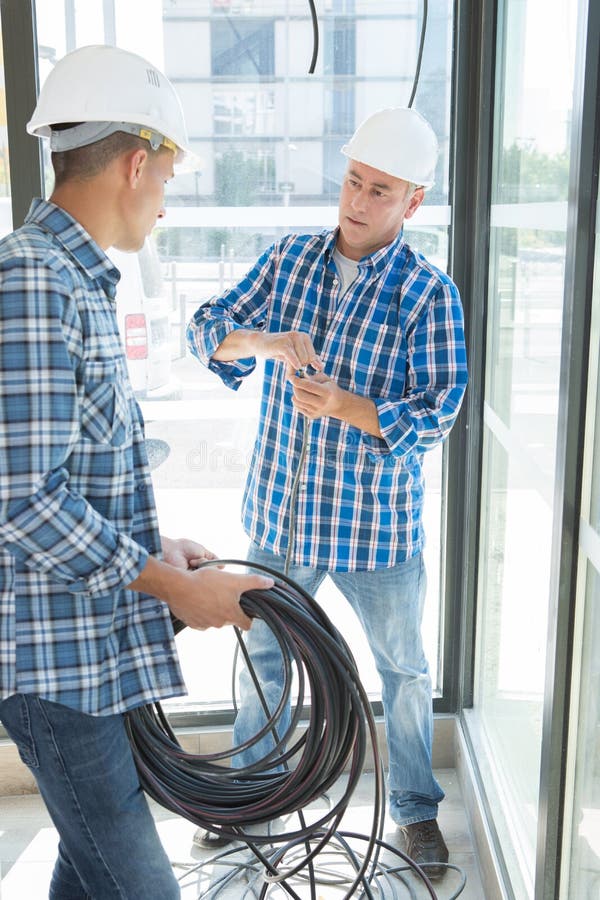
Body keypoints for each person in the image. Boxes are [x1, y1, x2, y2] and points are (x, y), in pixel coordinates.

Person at [0, 44, 272, 900]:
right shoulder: (35, 284)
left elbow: (67, 473)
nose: (163, 201)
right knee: (138, 885)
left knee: (90, 872)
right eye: (167, 179)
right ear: (134, 161)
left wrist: (155, 546)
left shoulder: (72, 283)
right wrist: (165, 585)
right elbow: (23, 501)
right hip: (53, 669)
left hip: (80, 650)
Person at [186, 106, 468, 879]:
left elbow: (440, 408)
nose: (358, 200)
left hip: (375, 531)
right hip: (279, 516)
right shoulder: (290, 260)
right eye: (352, 181)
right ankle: (255, 797)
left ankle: (414, 809)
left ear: (412, 202)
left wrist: (346, 404)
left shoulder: (427, 293)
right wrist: (265, 343)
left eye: (380, 190)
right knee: (265, 662)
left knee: (402, 673)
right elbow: (207, 327)